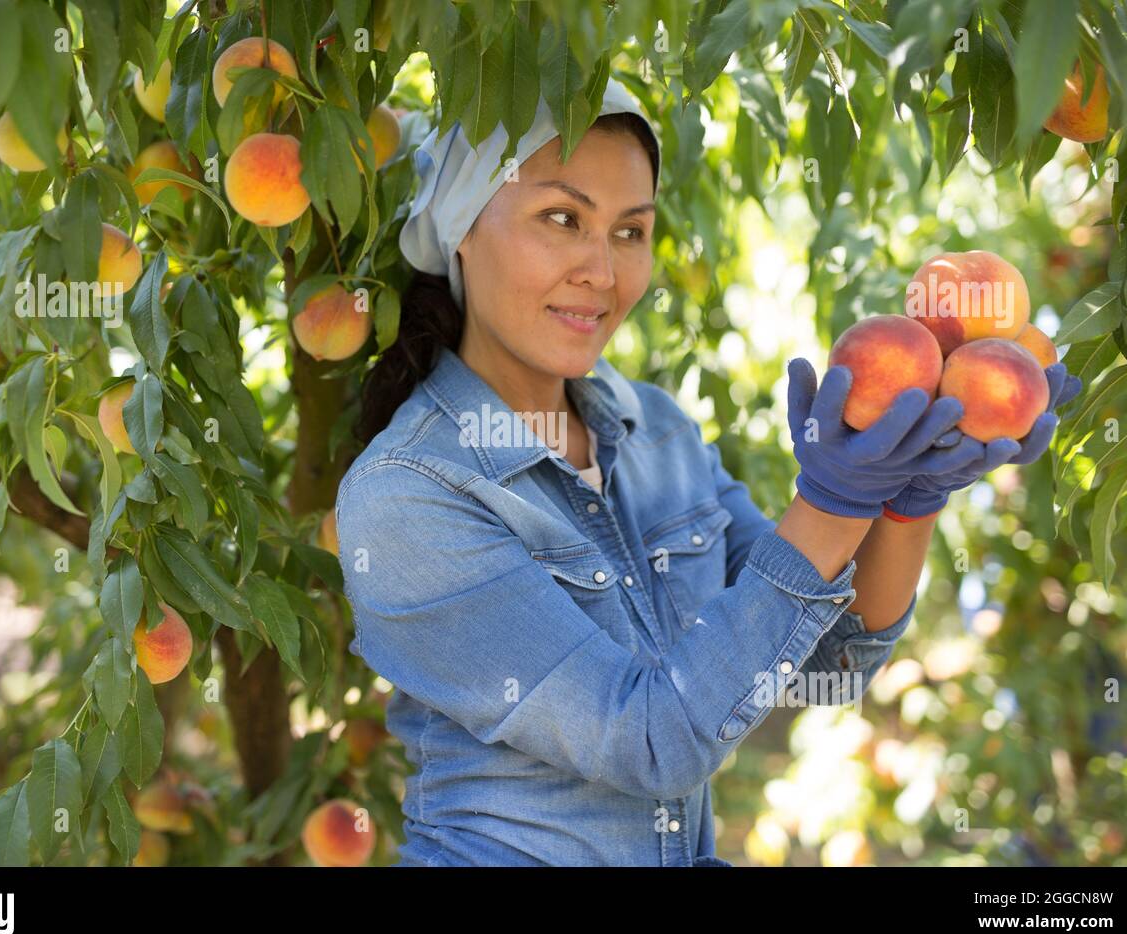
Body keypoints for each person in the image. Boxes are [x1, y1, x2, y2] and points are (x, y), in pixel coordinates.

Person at [334, 76, 1082, 866]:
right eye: (562, 219)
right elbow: (651, 739)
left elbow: (824, 667)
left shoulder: (655, 432)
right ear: (461, 228)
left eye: (631, 231)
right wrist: (831, 503)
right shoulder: (407, 496)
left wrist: (905, 498)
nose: (603, 270)